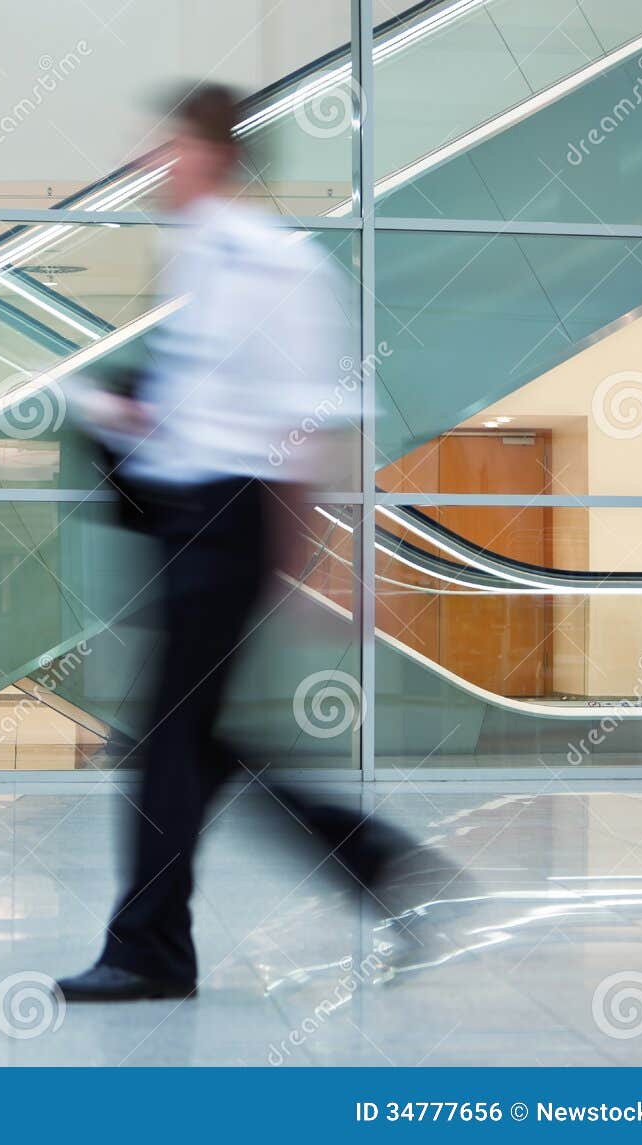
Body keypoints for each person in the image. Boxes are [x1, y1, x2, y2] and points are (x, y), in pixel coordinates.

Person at [56, 83, 443, 1002]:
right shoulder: (193, 257)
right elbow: (200, 403)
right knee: (193, 739)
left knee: (165, 741)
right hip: (184, 518)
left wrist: (316, 563)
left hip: (230, 524)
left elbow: (313, 425)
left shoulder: (279, 265)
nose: (153, 162)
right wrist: (124, 412)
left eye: (169, 146)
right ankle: (375, 861)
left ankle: (152, 948)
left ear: (213, 154)